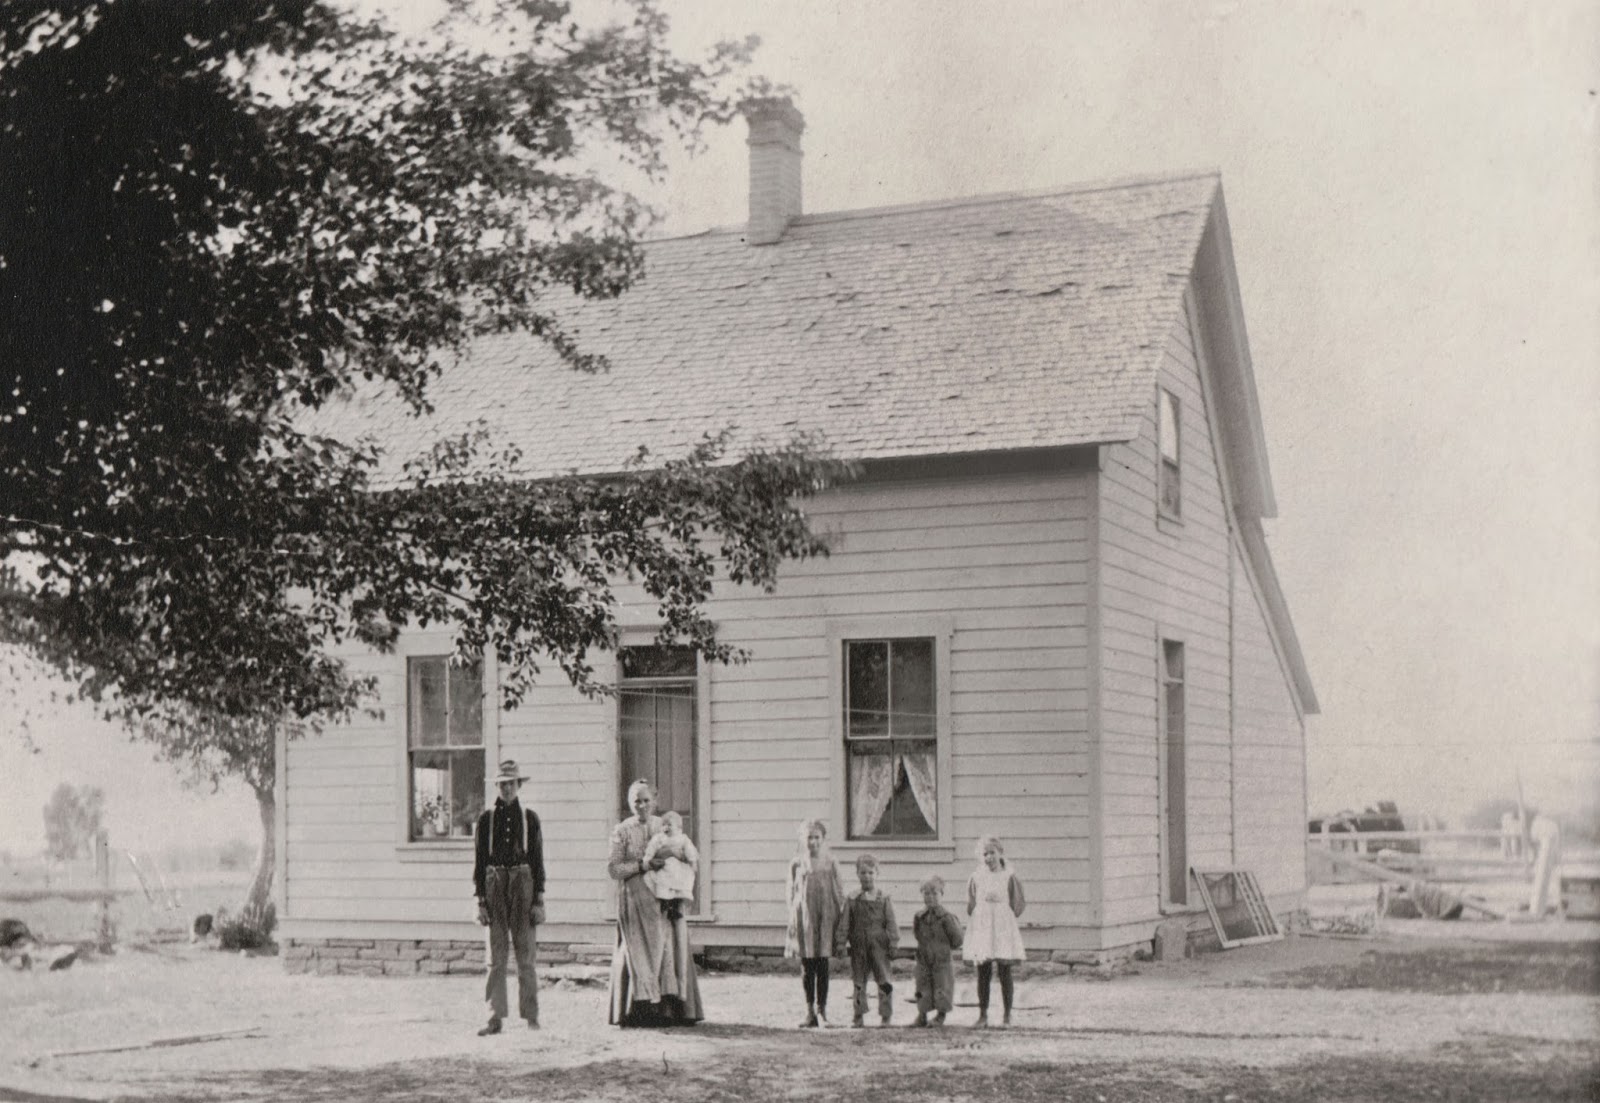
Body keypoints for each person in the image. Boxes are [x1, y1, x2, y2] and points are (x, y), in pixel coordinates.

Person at [606, 779, 703, 1026]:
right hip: (635, 897)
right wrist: (642, 865)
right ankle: (637, 1009)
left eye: (647, 800)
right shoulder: (622, 830)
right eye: (636, 800)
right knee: (636, 948)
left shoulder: (666, 825)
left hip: (663, 897)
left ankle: (669, 1009)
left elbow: (684, 853)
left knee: (668, 947)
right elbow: (614, 869)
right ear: (629, 803)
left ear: (655, 801)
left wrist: (674, 859)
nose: (642, 805)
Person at [471, 759, 546, 1036]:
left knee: (526, 955)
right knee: (496, 956)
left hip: (523, 883)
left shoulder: (529, 818)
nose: (506, 789)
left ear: (518, 785)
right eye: (502, 784)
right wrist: (480, 900)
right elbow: (479, 862)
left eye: (511, 783)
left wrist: (539, 900)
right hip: (494, 885)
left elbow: (538, 862)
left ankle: (531, 1016)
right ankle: (494, 1018)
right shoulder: (486, 819)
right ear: (497, 786)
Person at [784, 818, 847, 1028]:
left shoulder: (831, 862)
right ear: (803, 839)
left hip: (826, 917)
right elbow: (791, 892)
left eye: (816, 837)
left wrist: (840, 918)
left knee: (822, 964)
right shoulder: (797, 862)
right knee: (807, 964)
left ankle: (823, 1011)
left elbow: (839, 891)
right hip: (805, 919)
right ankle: (809, 1011)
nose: (813, 842)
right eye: (809, 837)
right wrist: (793, 918)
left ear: (823, 839)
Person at [964, 834, 1027, 1028]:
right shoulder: (976, 877)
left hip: (1002, 927)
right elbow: (971, 904)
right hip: (983, 925)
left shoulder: (1009, 876)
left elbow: (1018, 904)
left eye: (992, 853)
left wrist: (1002, 915)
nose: (989, 858)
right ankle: (983, 1015)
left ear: (1000, 853)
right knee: (983, 971)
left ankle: (1007, 1015)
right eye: (985, 854)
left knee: (1004, 971)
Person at [841, 852, 897, 1027]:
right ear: (857, 874)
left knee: (884, 980)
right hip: (859, 946)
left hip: (880, 945)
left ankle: (886, 1015)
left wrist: (894, 942)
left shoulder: (884, 898)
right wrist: (840, 942)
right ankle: (858, 1015)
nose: (867, 877)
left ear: (877, 874)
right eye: (863, 872)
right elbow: (844, 923)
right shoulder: (852, 899)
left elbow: (891, 922)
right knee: (859, 981)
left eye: (871, 873)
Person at [911, 874, 963, 1028]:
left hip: (942, 960)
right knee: (922, 986)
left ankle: (940, 1016)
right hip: (923, 958)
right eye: (926, 893)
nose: (930, 897)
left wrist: (942, 949)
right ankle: (922, 1015)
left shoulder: (947, 918)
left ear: (942, 895)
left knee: (942, 986)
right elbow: (917, 934)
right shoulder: (919, 916)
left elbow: (957, 939)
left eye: (935, 893)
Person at [643, 810, 699, 918]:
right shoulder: (659, 838)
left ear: (679, 827)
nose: (666, 827)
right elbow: (651, 848)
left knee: (677, 889)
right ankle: (665, 905)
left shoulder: (682, 838)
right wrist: (647, 858)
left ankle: (674, 908)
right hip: (664, 867)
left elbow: (690, 849)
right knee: (663, 885)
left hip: (678, 869)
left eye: (669, 824)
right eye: (663, 825)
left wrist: (693, 861)